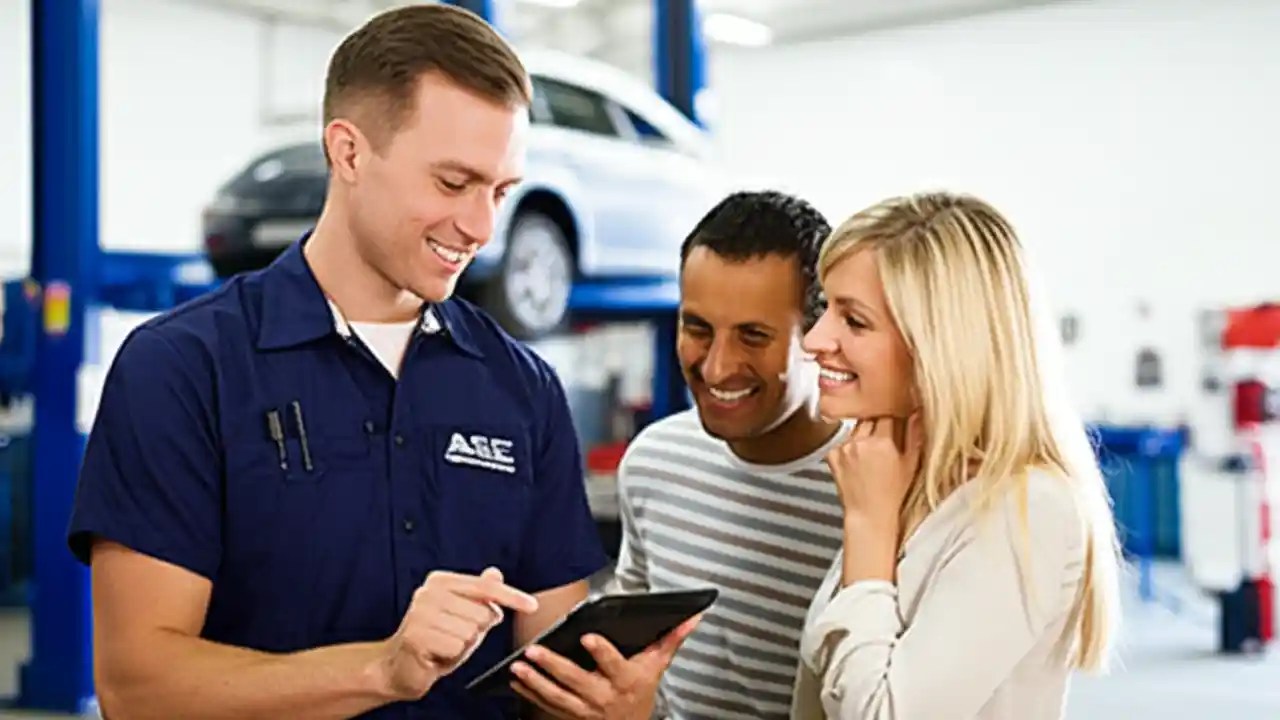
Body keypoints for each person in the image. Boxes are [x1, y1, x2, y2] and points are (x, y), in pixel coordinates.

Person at [66, 6, 616, 719]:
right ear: (349, 153)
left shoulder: (523, 388)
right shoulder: (182, 369)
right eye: (453, 184)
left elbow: (549, 671)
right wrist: (379, 670)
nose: (482, 228)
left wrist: (608, 701)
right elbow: (138, 687)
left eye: (500, 192)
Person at [514, 190, 855, 719]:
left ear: (820, 333)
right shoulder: (654, 460)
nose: (718, 367)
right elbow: (633, 664)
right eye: (697, 328)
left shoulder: (873, 492)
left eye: (753, 337)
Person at [790, 191, 1123, 719]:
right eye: (825, 309)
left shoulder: (1026, 508)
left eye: (853, 321)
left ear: (941, 345)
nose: (814, 339)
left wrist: (869, 526)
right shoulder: (899, 475)